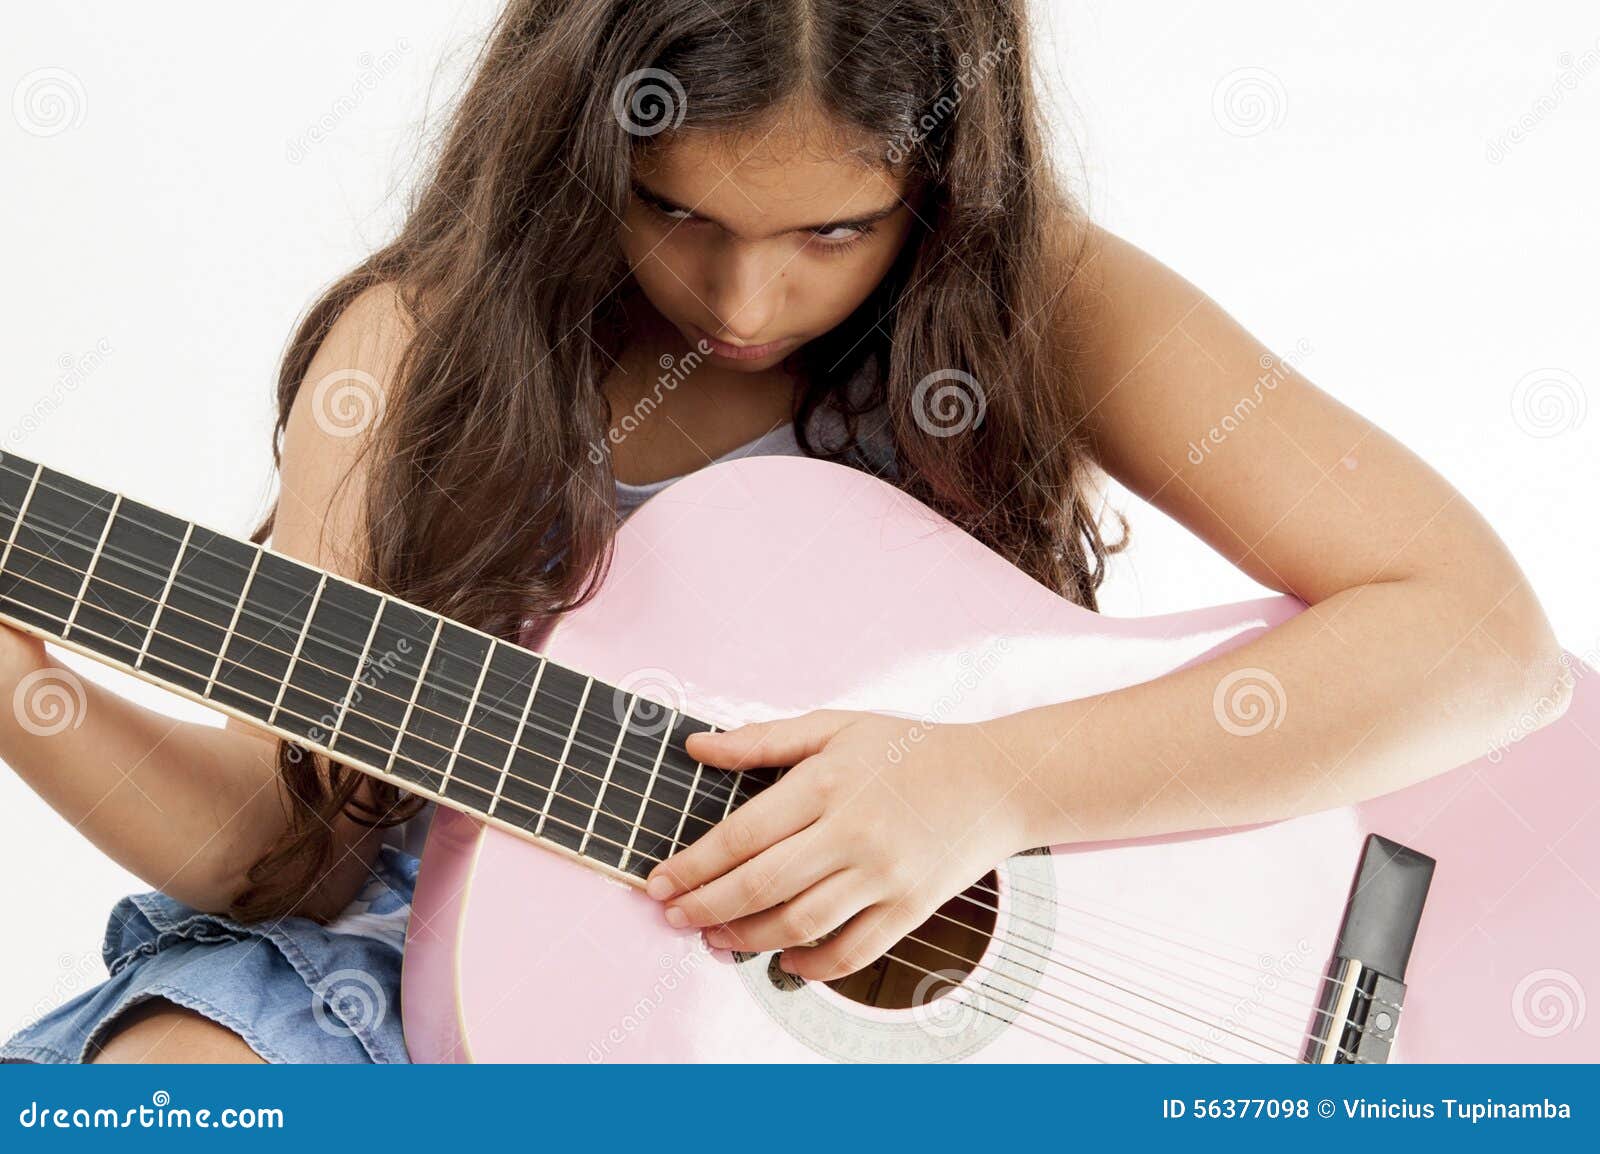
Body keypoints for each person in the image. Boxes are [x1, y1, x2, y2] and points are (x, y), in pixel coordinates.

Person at [0, 0, 1569, 1063]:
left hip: (910, 1040)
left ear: (944, 182)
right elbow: (274, 846)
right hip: (418, 966)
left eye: (835, 228)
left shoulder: (1040, 293)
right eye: (677, 211)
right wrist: (26, 690)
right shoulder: (417, 345)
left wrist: (980, 784)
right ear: (581, 149)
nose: (746, 299)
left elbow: (1484, 643)